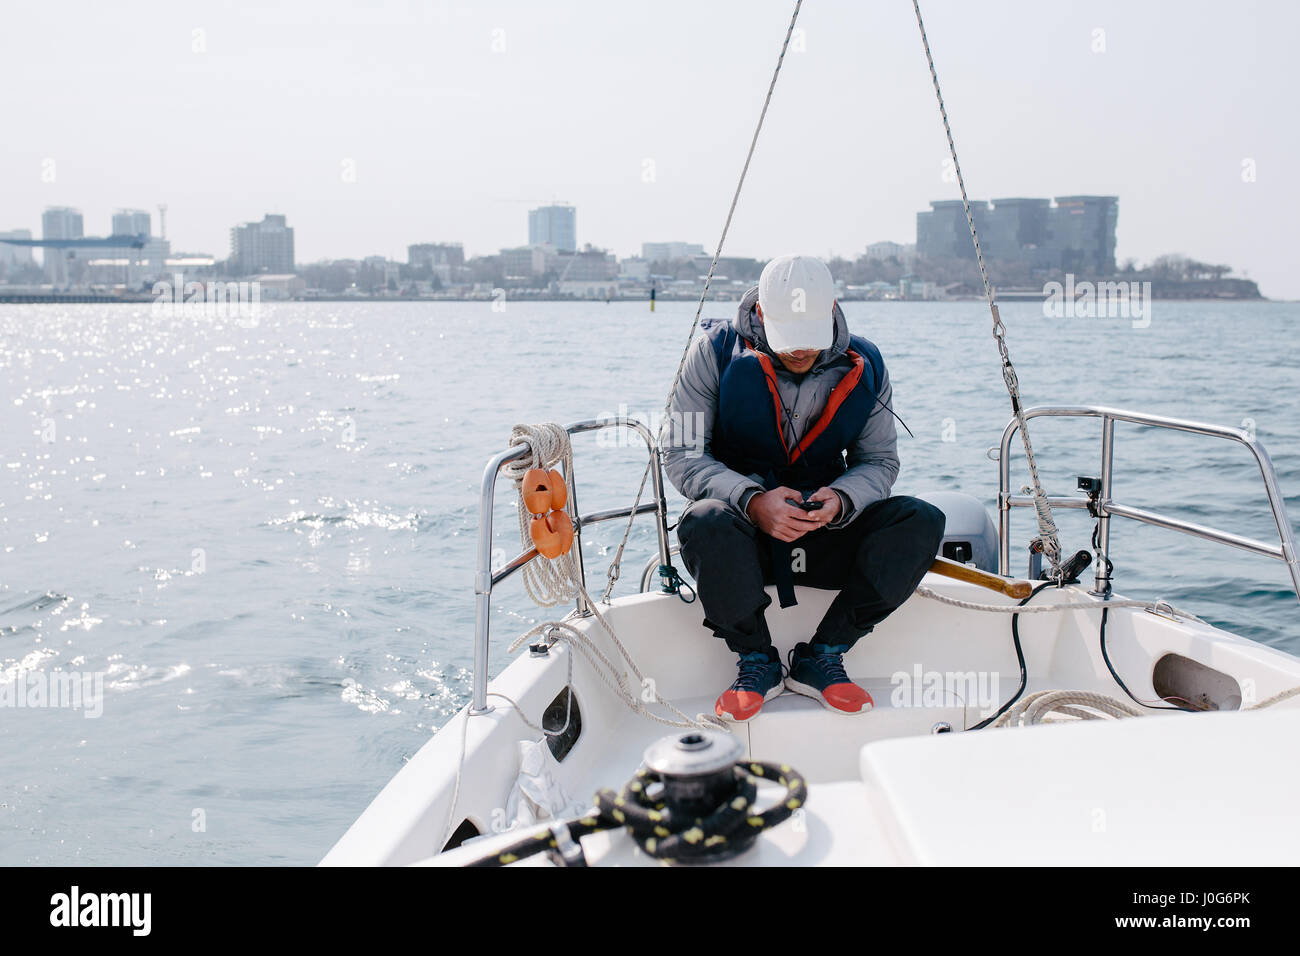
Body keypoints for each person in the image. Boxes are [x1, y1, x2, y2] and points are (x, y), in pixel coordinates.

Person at [663, 255, 945, 722]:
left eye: (810, 341)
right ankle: (757, 660)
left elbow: (879, 461)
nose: (800, 352)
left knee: (921, 520)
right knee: (703, 522)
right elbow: (682, 454)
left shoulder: (867, 361)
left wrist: (842, 500)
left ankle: (823, 655)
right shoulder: (710, 354)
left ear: (832, 308)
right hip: (745, 538)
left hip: (827, 530)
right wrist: (752, 502)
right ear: (761, 315)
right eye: (789, 340)